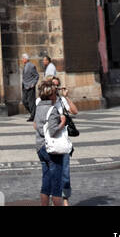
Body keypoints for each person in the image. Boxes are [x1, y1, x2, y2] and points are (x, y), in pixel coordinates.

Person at [33, 77, 68, 207]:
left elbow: (35, 125)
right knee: (56, 186)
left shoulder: (38, 108)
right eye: (54, 92)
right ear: (50, 94)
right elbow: (53, 131)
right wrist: (63, 123)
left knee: (46, 183)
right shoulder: (52, 110)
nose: (56, 95)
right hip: (51, 149)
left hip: (40, 147)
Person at [52, 77, 78, 205]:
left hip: (63, 142)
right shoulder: (43, 101)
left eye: (57, 86)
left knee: (65, 174)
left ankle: (65, 200)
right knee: (53, 173)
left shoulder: (61, 101)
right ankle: (54, 199)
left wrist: (66, 96)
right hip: (50, 143)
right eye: (53, 85)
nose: (56, 88)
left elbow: (75, 111)